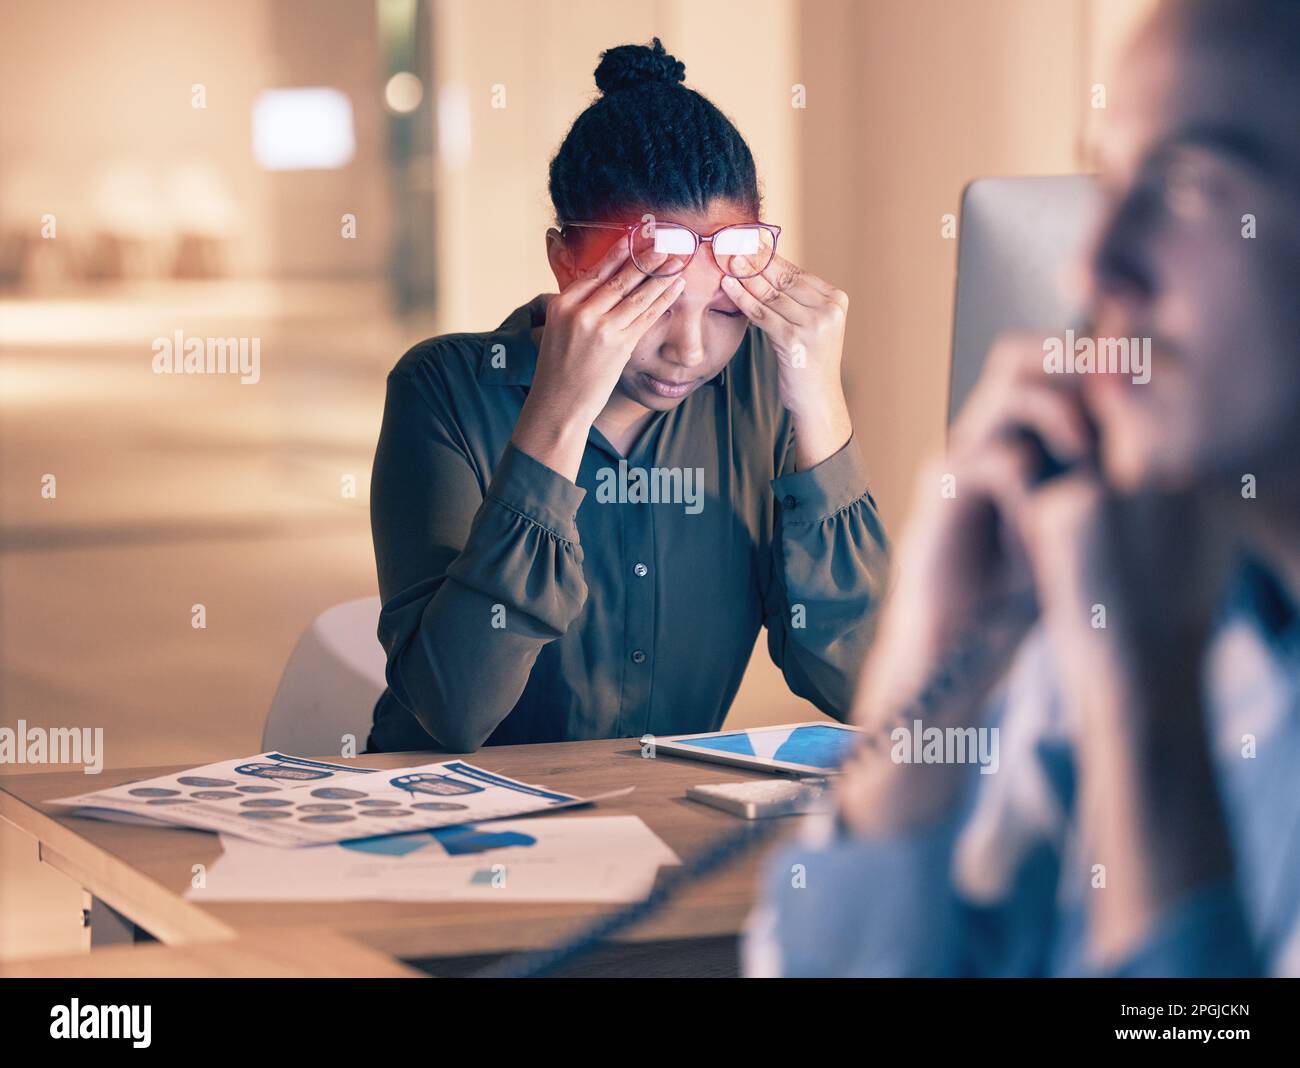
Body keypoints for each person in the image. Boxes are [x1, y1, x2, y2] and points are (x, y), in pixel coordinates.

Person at [746, 0, 1300, 977]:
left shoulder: (1133, 637)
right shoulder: (1082, 619)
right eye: (1111, 179)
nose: (1092, 263)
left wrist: (1143, 706)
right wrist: (922, 682)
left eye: (1189, 186)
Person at [366, 39, 887, 754]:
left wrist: (821, 407)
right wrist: (557, 418)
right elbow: (454, 710)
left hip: (653, 828)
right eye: (651, 305)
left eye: (727, 311)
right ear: (563, 263)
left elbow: (866, 686)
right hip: (447, 831)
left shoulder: (763, 400)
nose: (691, 349)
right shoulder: (444, 389)